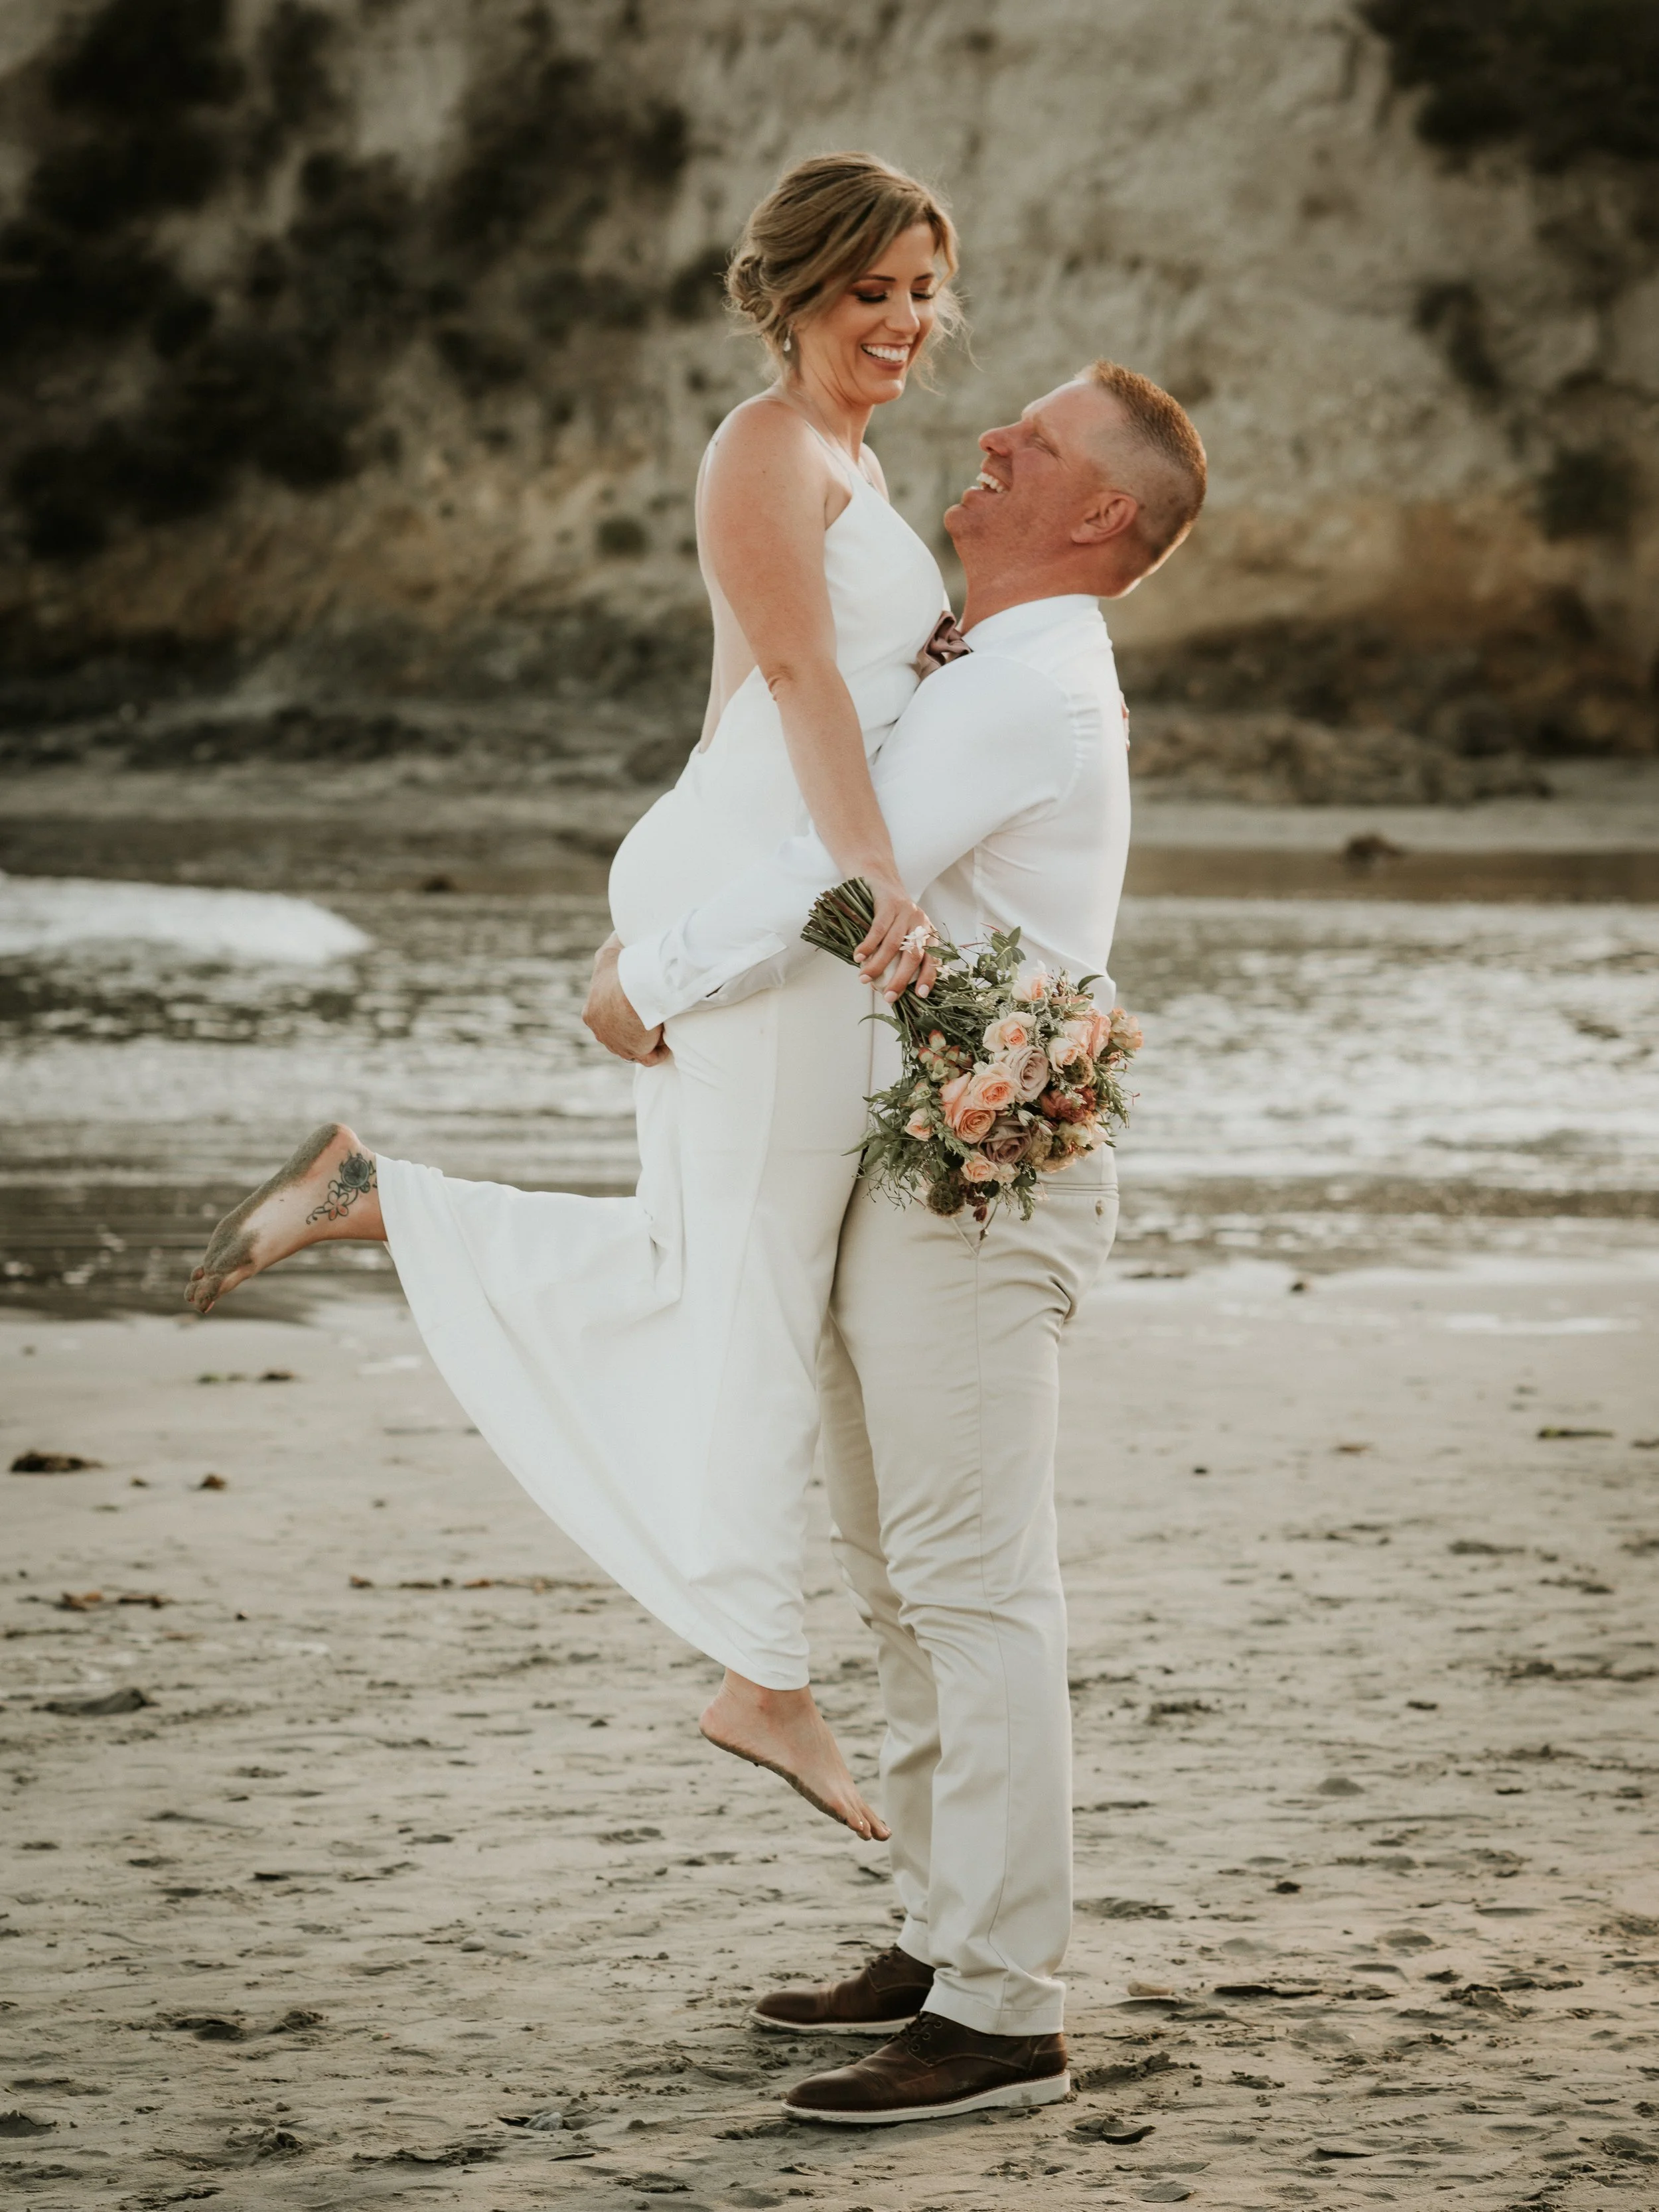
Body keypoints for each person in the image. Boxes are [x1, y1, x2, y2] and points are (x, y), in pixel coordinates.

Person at [181, 152, 964, 1842]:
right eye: (870, 290)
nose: (905, 319)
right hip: (774, 889)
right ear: (793, 294)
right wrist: (866, 879)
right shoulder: (765, 445)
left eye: (921, 290)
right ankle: (761, 1676)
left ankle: (376, 1198)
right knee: (750, 1288)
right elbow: (792, 678)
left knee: (714, 1267)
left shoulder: (847, 457)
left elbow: (776, 684)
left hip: (756, 878)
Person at [584, 360, 1206, 2122]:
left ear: (1099, 513)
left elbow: (837, 876)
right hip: (913, 1165)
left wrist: (643, 982)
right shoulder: (977, 656)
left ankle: (1003, 2009)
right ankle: (943, 1936)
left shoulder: (1028, 686)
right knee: (899, 1578)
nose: (991, 437)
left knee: (972, 1583)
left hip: (985, 1191)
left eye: (1038, 443)